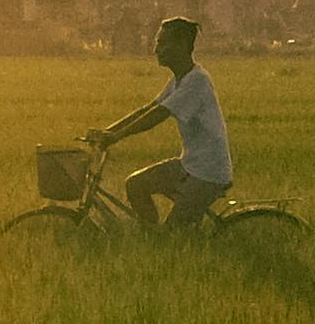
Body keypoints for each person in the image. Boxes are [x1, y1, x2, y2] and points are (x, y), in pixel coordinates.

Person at [92, 15, 233, 228]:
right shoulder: (180, 79)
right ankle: (149, 235)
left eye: (162, 43)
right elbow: (148, 108)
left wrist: (116, 137)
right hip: (189, 165)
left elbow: (158, 115)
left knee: (173, 234)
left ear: (182, 45)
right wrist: (107, 131)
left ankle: (165, 244)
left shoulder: (197, 81)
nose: (156, 49)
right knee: (136, 185)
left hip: (207, 173)